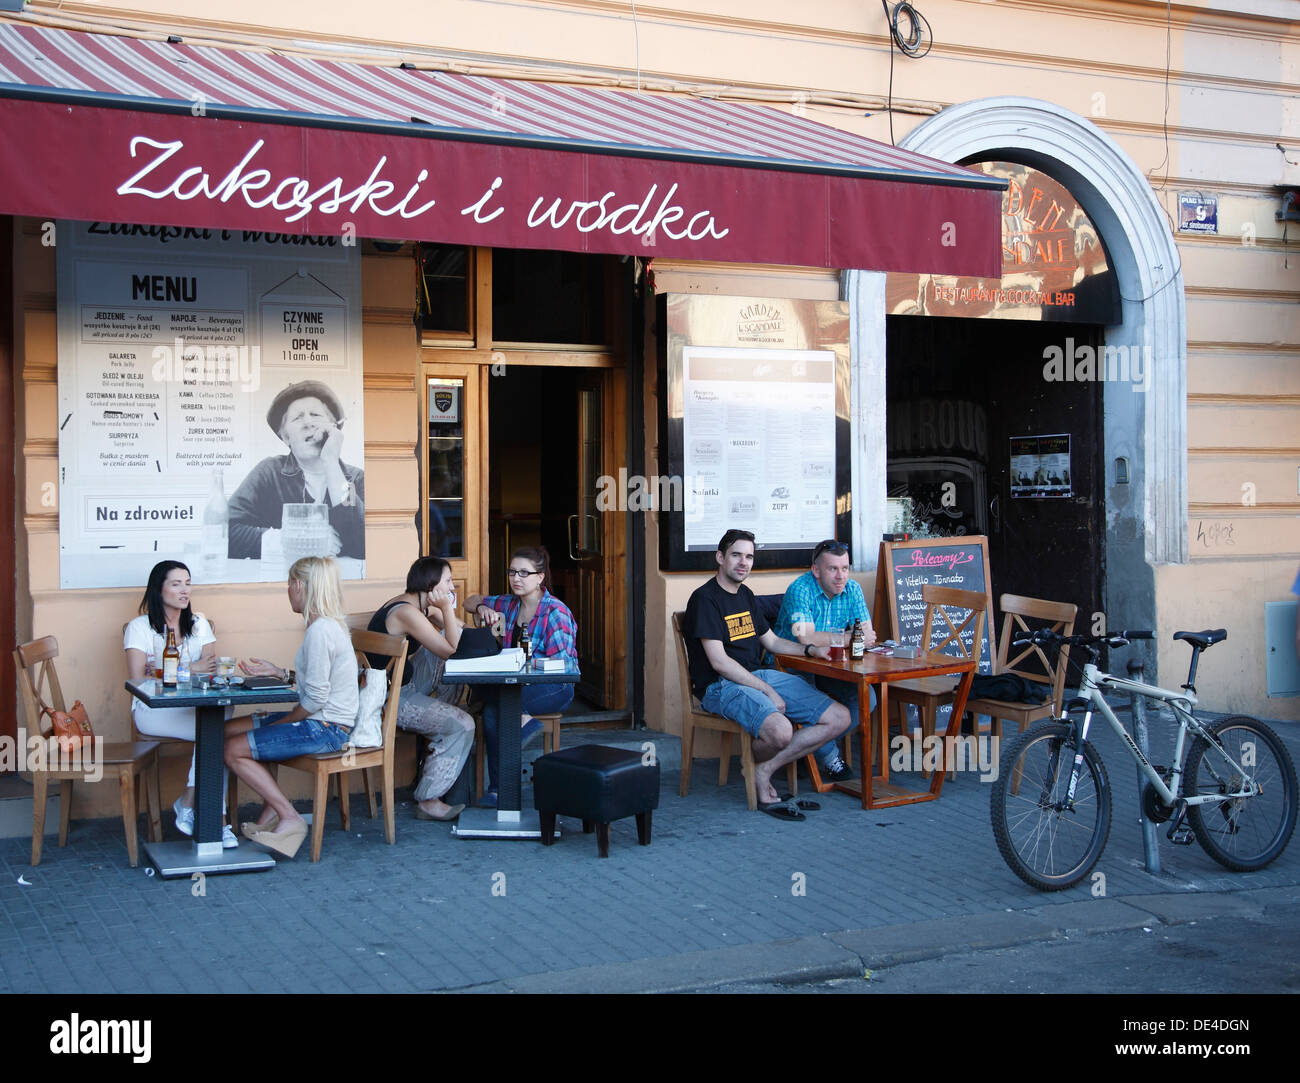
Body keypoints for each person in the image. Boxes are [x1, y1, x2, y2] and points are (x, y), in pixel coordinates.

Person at [685, 529, 852, 819]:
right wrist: (768, 691)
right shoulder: (705, 599)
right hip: (719, 685)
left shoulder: (746, 595)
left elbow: (772, 641)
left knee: (839, 717)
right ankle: (760, 781)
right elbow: (720, 663)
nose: (743, 562)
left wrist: (810, 650)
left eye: (749, 557)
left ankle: (764, 769)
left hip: (757, 675)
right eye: (736, 555)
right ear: (720, 557)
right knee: (780, 731)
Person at [225, 556, 359, 859]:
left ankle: (288, 816)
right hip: (319, 722)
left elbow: (314, 701)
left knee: (233, 749)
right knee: (228, 730)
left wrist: (284, 722)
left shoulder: (320, 630)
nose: (287, 590)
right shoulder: (324, 626)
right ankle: (269, 814)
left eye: (289, 584)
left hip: (326, 728)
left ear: (298, 586)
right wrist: (280, 673)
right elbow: (318, 681)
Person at [124, 560, 239, 846]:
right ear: (158, 588)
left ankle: (190, 801)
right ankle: (218, 823)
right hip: (153, 711)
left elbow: (211, 673)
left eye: (187, 583)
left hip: (192, 707)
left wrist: (165, 672)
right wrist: (191, 669)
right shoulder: (140, 628)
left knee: (219, 720)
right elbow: (139, 681)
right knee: (217, 733)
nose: (184, 590)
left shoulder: (199, 624)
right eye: (176, 584)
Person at [464, 546, 578, 808]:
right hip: (515, 686)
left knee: (499, 708)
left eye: (524, 573)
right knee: (493, 709)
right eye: (512, 571)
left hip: (553, 687)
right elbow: (469, 600)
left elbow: (565, 665)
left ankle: (498, 788)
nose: (516, 578)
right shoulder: (508, 604)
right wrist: (482, 608)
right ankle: (500, 790)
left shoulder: (555, 612)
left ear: (540, 577)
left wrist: (524, 665)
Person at [367, 556, 474, 821]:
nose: (452, 588)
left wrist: (478, 630)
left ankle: (443, 722)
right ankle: (429, 799)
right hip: (390, 698)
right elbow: (453, 651)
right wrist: (447, 608)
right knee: (464, 724)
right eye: (448, 582)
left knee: (440, 644)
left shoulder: (421, 606)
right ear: (431, 584)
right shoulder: (406, 612)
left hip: (407, 682)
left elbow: (463, 635)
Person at [226, 380, 365, 560]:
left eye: (315, 414)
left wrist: (331, 461)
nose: (308, 423)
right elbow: (226, 531)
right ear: (285, 438)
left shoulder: (355, 479)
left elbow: (363, 542)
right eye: (297, 418)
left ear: (334, 428)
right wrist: (304, 540)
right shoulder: (269, 472)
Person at [774, 539, 877, 782]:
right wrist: (848, 637)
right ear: (816, 570)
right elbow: (805, 637)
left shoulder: (853, 589)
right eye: (833, 569)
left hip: (830, 666)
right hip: (790, 665)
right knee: (819, 707)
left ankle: (808, 748)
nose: (841, 576)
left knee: (867, 698)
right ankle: (830, 758)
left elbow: (868, 635)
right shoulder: (800, 589)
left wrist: (850, 638)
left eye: (845, 568)